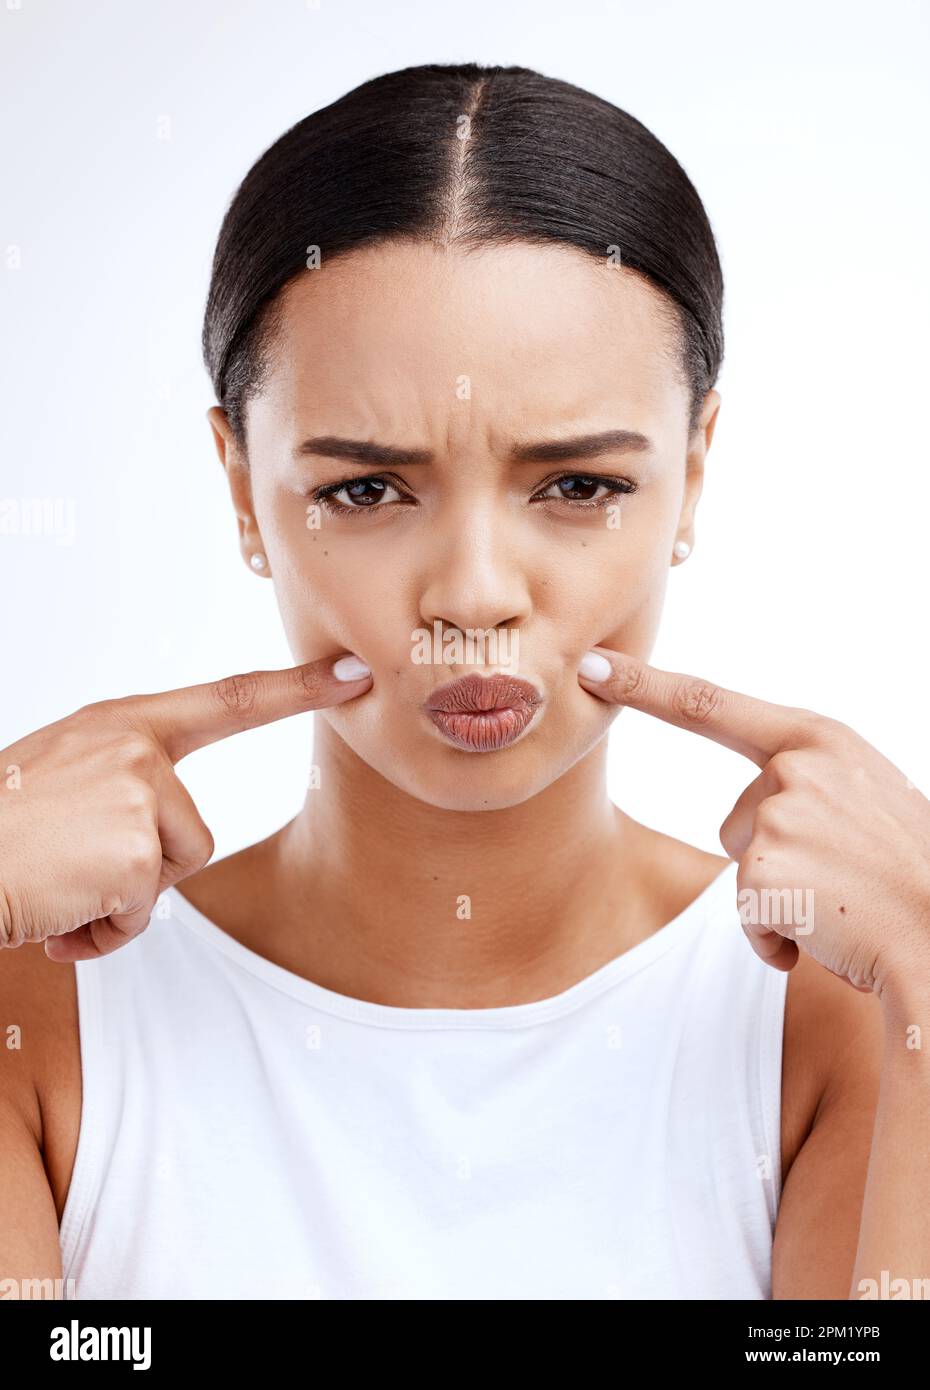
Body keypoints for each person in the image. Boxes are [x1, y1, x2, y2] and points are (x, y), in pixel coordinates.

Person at [1, 62, 926, 1301]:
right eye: (366, 490)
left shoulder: (843, 1017)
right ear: (240, 488)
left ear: (694, 470)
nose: (474, 593)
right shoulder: (45, 1009)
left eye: (579, 485)